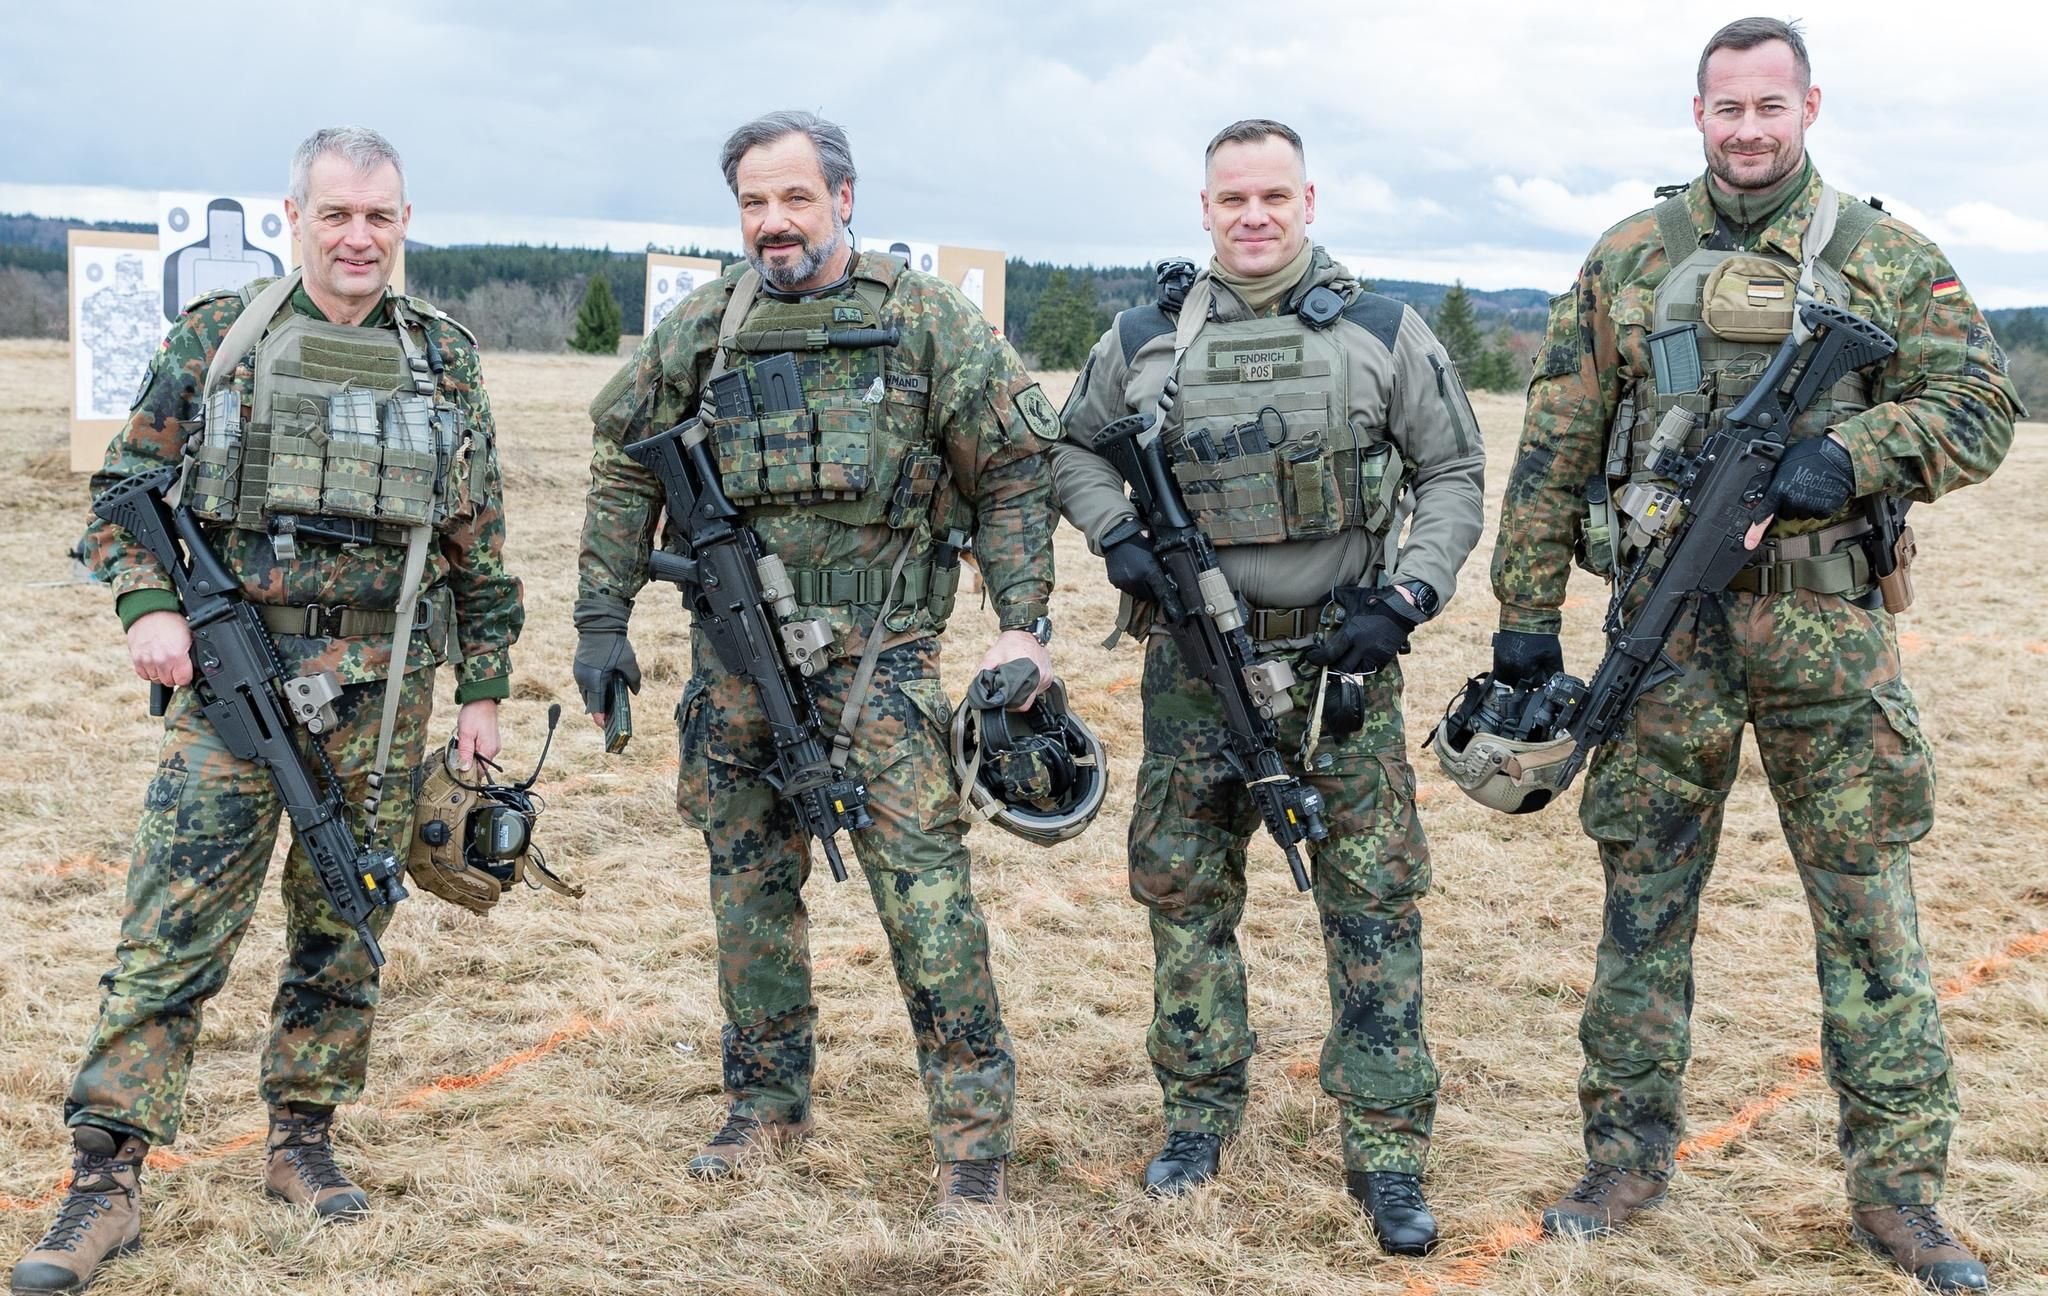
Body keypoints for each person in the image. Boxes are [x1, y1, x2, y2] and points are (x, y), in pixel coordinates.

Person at [1490, 19, 2019, 1292]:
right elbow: (1556, 441)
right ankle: (1620, 1164)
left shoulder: (1884, 256)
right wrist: (1522, 616)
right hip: (1663, 638)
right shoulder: (1627, 256)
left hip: (1828, 642)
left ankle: (1900, 1200)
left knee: (1870, 918)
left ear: (1807, 108)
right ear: (1696, 115)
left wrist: (1851, 452)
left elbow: (1979, 406)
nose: (1745, 129)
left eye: (1767, 106)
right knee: (1640, 907)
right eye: (1724, 108)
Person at [12, 126, 523, 1294]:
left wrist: (486, 685)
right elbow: (121, 492)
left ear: (404, 224)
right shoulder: (219, 339)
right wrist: (148, 606)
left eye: (380, 217)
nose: (358, 238)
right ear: (293, 217)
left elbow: (478, 534)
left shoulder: (442, 359)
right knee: (173, 927)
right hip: (232, 688)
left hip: (384, 696)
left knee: (345, 915)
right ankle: (104, 1178)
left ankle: (302, 1138)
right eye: (336, 214)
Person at [572, 110, 1061, 1218]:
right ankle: (765, 1103)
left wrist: (1022, 624)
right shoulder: (705, 327)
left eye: (794, 198)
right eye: (753, 202)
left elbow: (1013, 469)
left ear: (843, 198)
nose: (773, 222)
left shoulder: (924, 319)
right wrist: (601, 621)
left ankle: (973, 1141)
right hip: (732, 666)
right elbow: (622, 463)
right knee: (747, 891)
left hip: (880, 668)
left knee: (926, 899)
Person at [1051, 118, 1485, 1254]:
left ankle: (1387, 1151)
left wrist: (1409, 596)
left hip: (1343, 665)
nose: (1253, 217)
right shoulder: (1143, 337)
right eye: (1232, 199)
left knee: (1373, 904)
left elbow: (1451, 469)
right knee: (1185, 895)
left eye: (1273, 197)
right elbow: (1071, 447)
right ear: (1204, 209)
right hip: (1194, 672)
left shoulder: (1382, 331)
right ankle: (1197, 1119)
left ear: (1308, 202)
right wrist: (1114, 536)